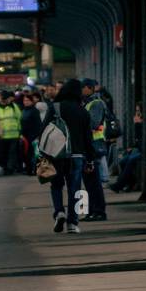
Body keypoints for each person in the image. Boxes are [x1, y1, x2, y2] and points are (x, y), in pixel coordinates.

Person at [47, 79, 94, 234]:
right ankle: (72, 223)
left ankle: (59, 212)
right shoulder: (82, 111)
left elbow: (44, 131)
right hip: (77, 155)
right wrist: (90, 159)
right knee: (74, 189)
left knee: (56, 185)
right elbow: (88, 138)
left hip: (57, 154)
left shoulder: (54, 108)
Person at [81, 79, 110, 221]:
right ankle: (93, 210)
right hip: (89, 145)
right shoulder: (86, 103)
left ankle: (99, 210)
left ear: (90, 88)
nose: (81, 90)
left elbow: (93, 123)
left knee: (94, 181)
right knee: (89, 181)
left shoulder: (96, 103)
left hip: (95, 145)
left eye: (83, 88)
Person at [0, 90, 22, 175]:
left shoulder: (14, 107)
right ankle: (4, 167)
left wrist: (20, 132)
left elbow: (19, 119)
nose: (4, 101)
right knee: (2, 153)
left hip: (14, 136)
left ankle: (10, 169)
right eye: (3, 99)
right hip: (1, 136)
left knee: (12, 153)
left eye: (6, 99)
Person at [20, 92, 43, 173]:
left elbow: (38, 124)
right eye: (24, 100)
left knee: (33, 154)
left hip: (33, 136)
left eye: (27, 100)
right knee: (26, 154)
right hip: (24, 136)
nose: (25, 102)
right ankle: (28, 168)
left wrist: (37, 136)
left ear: (31, 101)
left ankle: (34, 169)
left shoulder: (34, 111)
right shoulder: (23, 111)